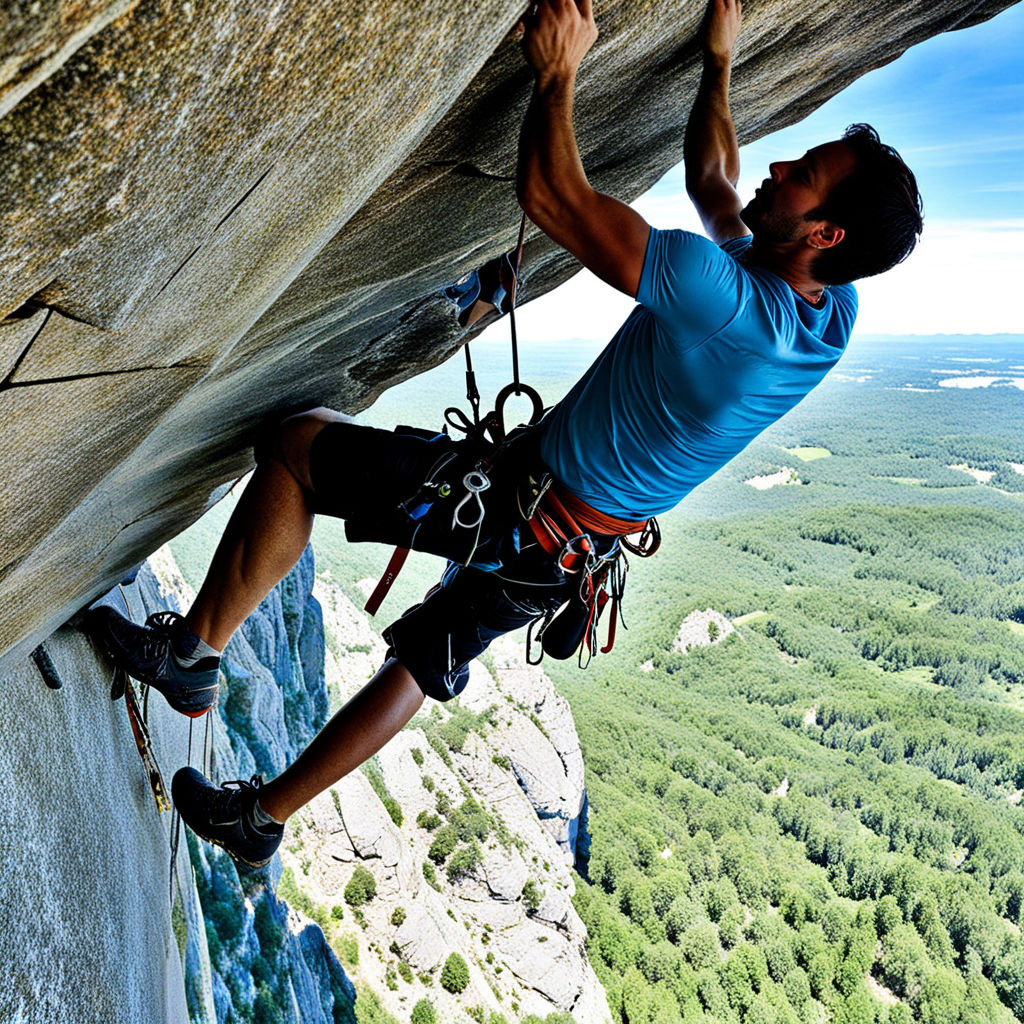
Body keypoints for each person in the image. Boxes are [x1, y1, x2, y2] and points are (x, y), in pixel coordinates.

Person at [89, 0, 922, 868]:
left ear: (824, 233)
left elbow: (552, 198)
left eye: (805, 174)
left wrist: (559, 71)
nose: (781, 166)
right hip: (568, 552)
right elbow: (716, 183)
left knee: (300, 448)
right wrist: (718, 64)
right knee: (423, 661)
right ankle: (259, 821)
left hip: (522, 511)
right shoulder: (830, 312)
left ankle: (192, 655)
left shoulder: (731, 303)